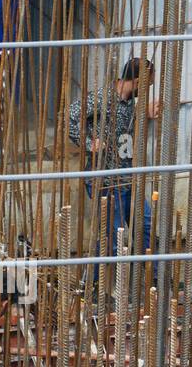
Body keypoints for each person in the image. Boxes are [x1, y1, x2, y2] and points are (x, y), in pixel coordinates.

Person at [68, 56, 161, 255]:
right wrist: (88, 143)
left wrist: (143, 112)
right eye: (147, 84)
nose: (147, 89)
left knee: (146, 226)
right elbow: (71, 117)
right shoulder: (102, 97)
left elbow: (120, 121)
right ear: (137, 82)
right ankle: (95, 281)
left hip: (126, 176)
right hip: (105, 179)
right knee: (113, 238)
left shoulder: (128, 102)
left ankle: (150, 277)